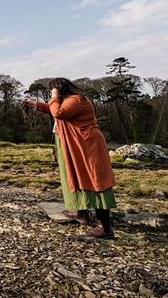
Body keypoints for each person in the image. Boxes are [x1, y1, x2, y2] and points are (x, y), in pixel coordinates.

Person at [22, 78, 117, 239]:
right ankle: (81, 212)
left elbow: (59, 113)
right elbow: (56, 110)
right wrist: (35, 104)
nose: (52, 93)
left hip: (87, 143)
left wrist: (54, 95)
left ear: (60, 89)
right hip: (77, 144)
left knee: (94, 179)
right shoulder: (69, 100)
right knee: (77, 176)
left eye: (54, 90)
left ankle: (105, 227)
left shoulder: (77, 99)